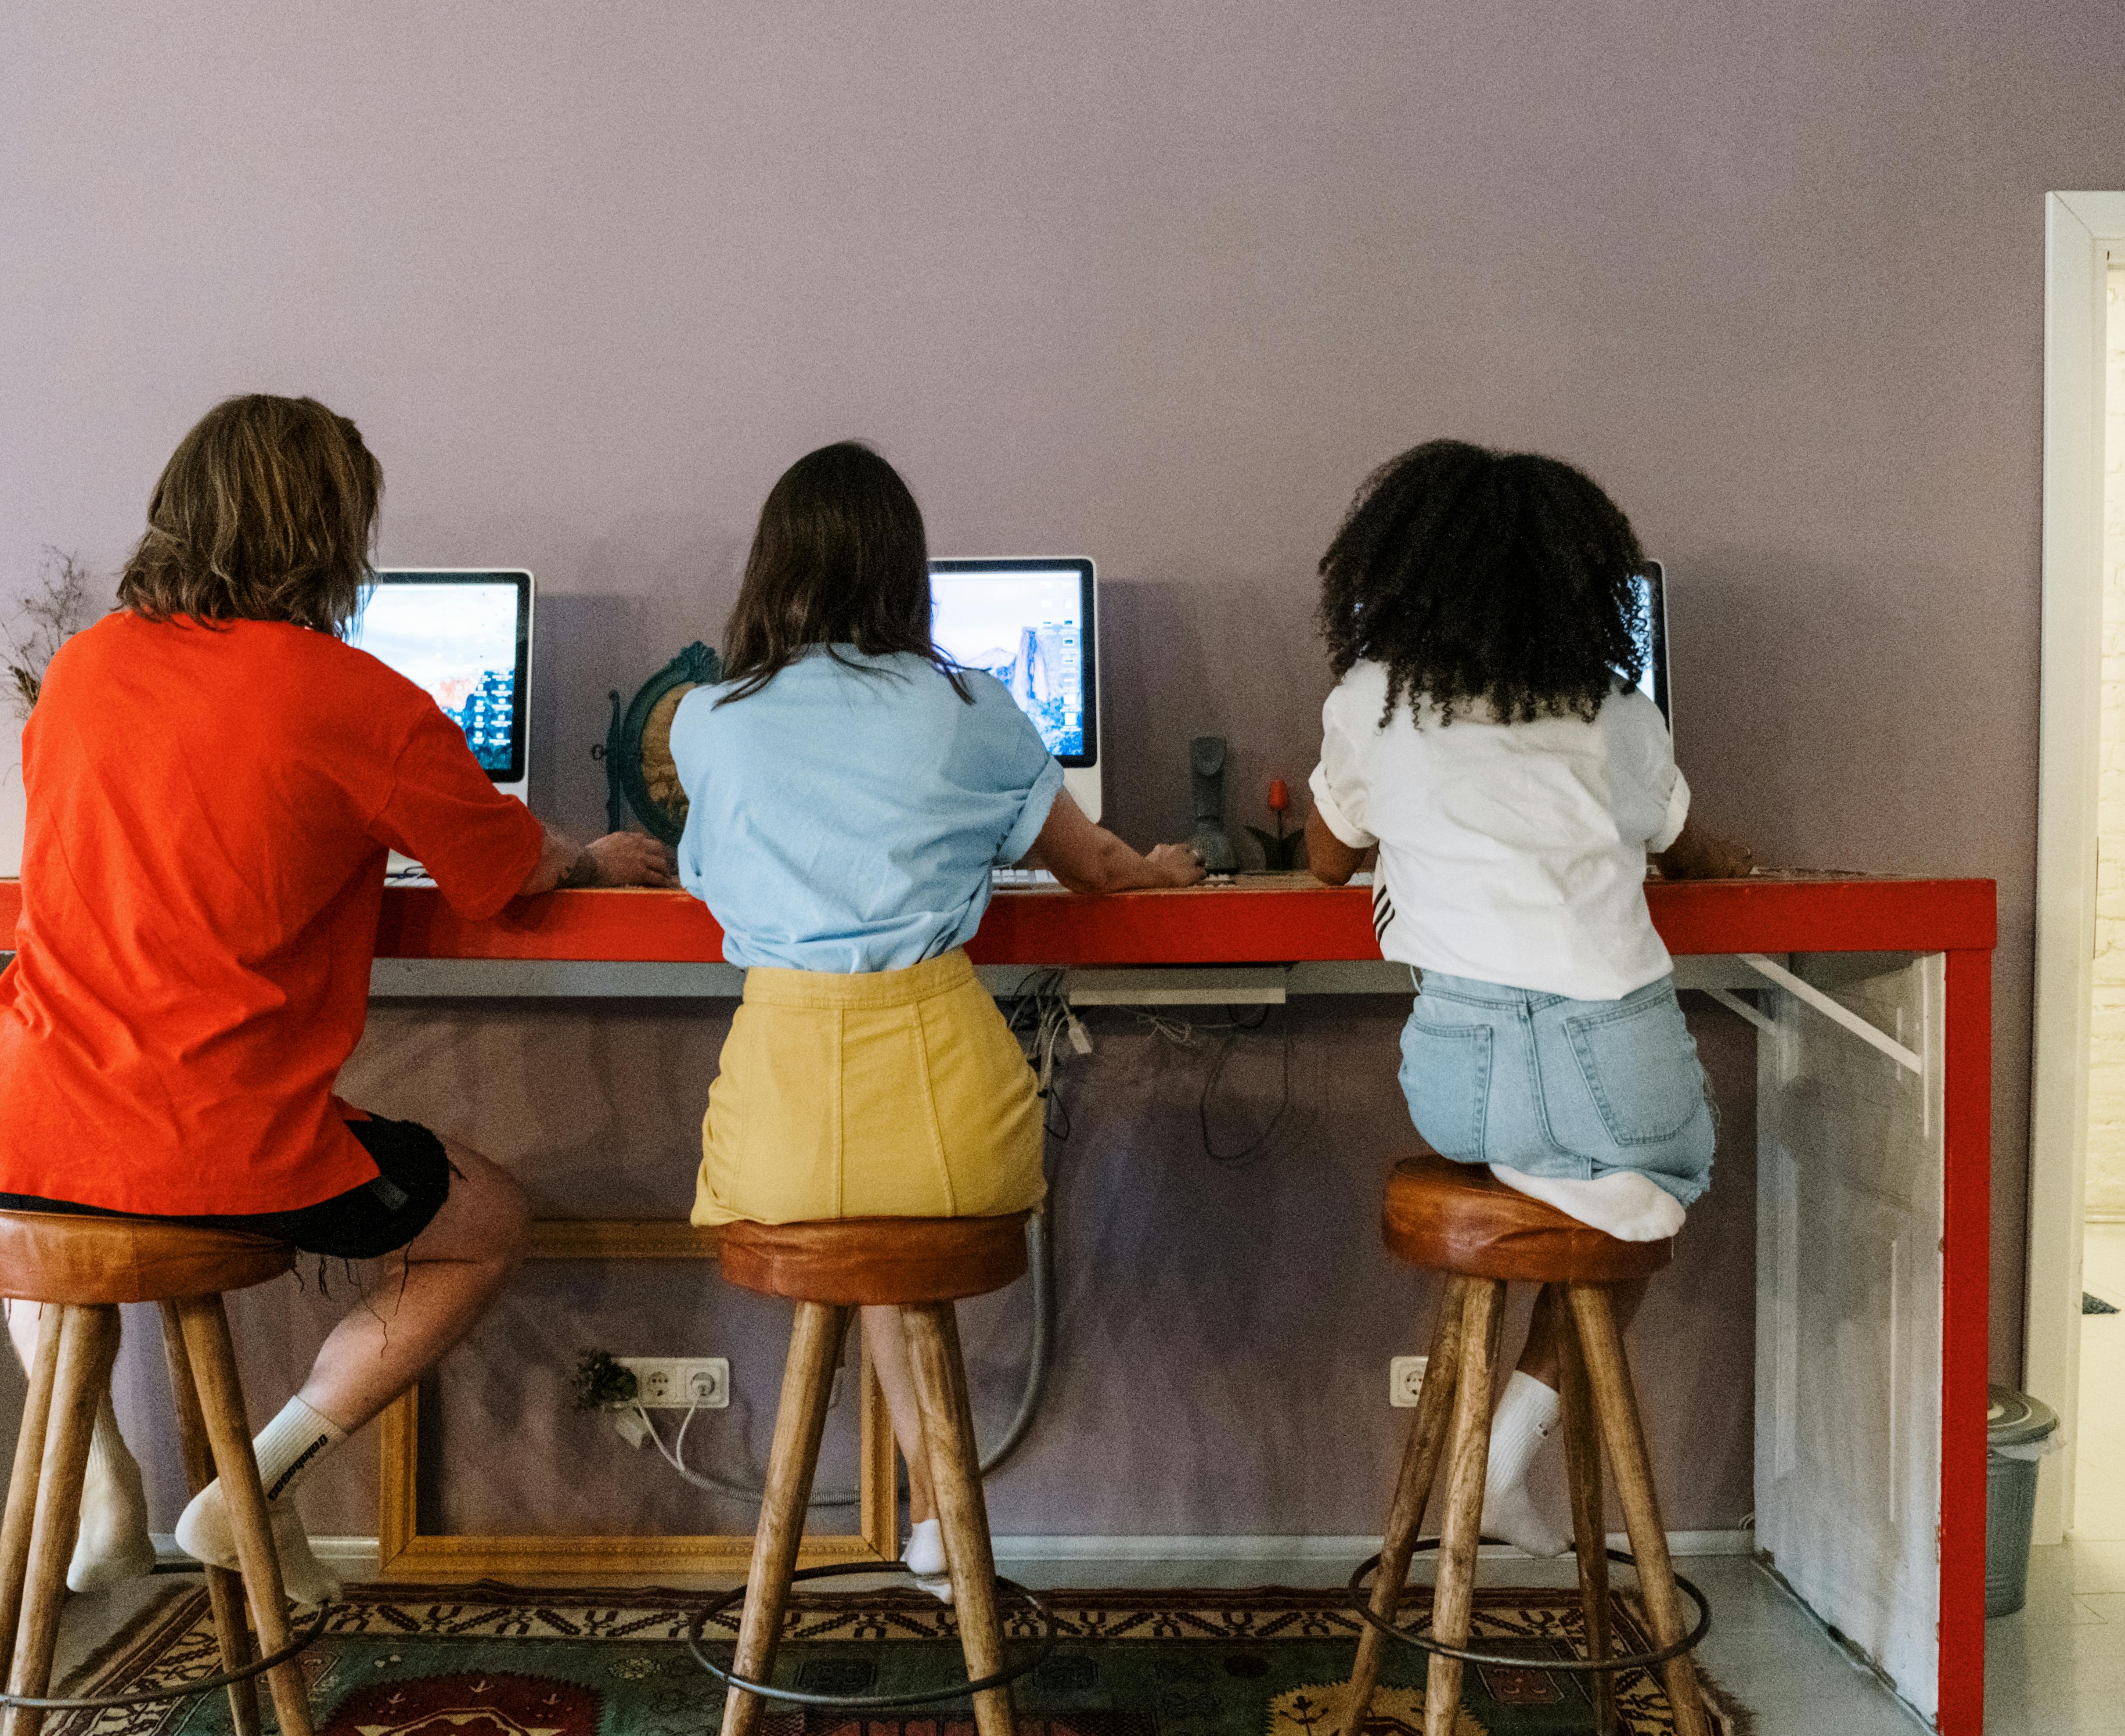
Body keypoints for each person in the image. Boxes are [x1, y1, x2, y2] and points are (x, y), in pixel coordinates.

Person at [0, 394, 672, 1603]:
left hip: (19, 1131)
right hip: (225, 1149)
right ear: (335, 536)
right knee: (487, 1219)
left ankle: (99, 1477)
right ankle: (249, 1487)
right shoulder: (355, 698)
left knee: (46, 1216)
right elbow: (501, 873)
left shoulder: (78, 672)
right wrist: (588, 857)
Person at [672, 441, 1204, 1600]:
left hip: (781, 1126)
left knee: (857, 1225)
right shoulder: (976, 707)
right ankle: (942, 1521)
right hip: (949, 1118)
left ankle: (929, 1518)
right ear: (908, 572)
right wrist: (1167, 865)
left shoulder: (707, 720)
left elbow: (715, 885)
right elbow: (1101, 869)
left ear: (770, 568)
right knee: (897, 1227)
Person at [1303, 440, 1752, 1559]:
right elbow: (1690, 854)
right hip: (1621, 1058)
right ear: (1580, 589)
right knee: (1666, 1172)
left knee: (1552, 1152)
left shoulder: (1369, 702)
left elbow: (1321, 859)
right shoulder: (1615, 713)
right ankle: (1507, 1449)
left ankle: (1539, 1164)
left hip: (1459, 1082)